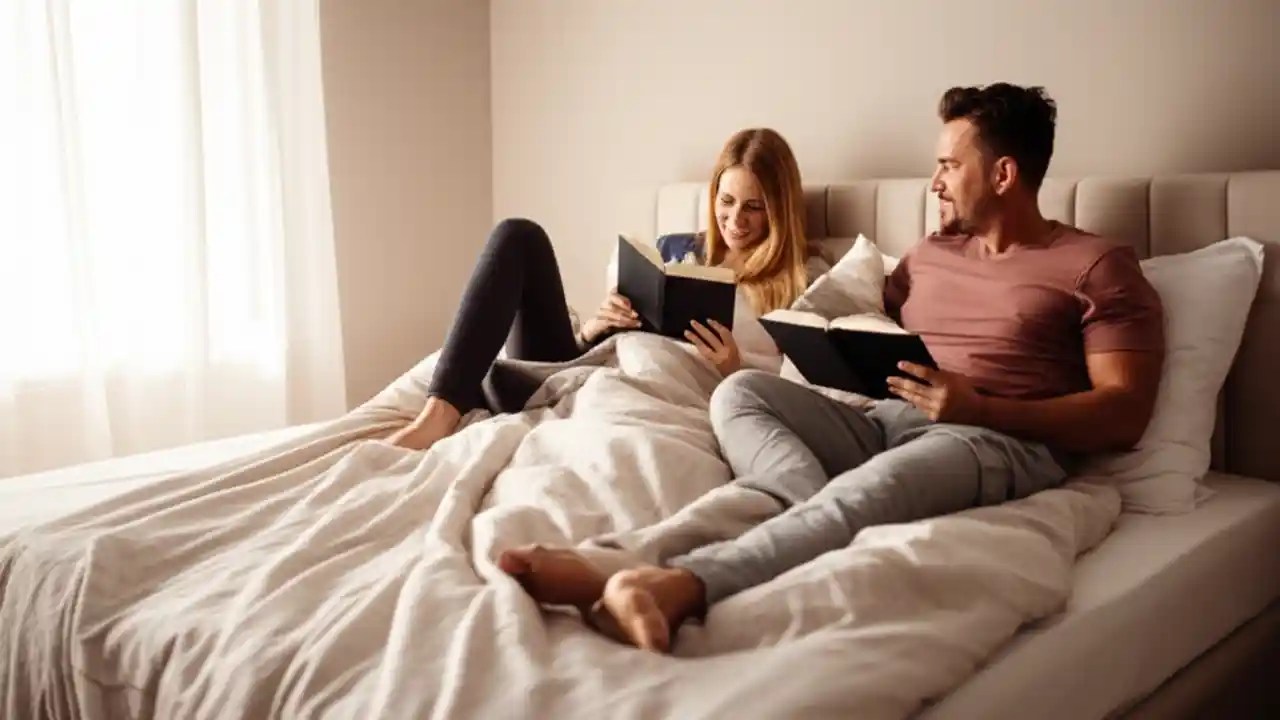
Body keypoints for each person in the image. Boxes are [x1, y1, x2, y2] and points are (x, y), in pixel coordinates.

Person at [498, 83, 1166, 652]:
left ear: (1003, 174)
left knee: (876, 488)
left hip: (995, 438)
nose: (934, 182)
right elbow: (865, 324)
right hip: (885, 417)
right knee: (740, 392)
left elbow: (1125, 412)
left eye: (947, 165)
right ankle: (782, 503)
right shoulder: (930, 255)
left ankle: (675, 582)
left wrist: (980, 408)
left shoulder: (1095, 266)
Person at [389, 128, 819, 451]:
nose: (735, 220)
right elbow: (598, 344)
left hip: (659, 387)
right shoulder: (677, 249)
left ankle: (506, 392)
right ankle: (437, 414)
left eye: (753, 207)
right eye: (726, 201)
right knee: (518, 235)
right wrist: (597, 325)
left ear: (779, 209)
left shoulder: (803, 281)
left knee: (523, 377)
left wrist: (735, 367)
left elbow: (807, 392)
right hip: (592, 361)